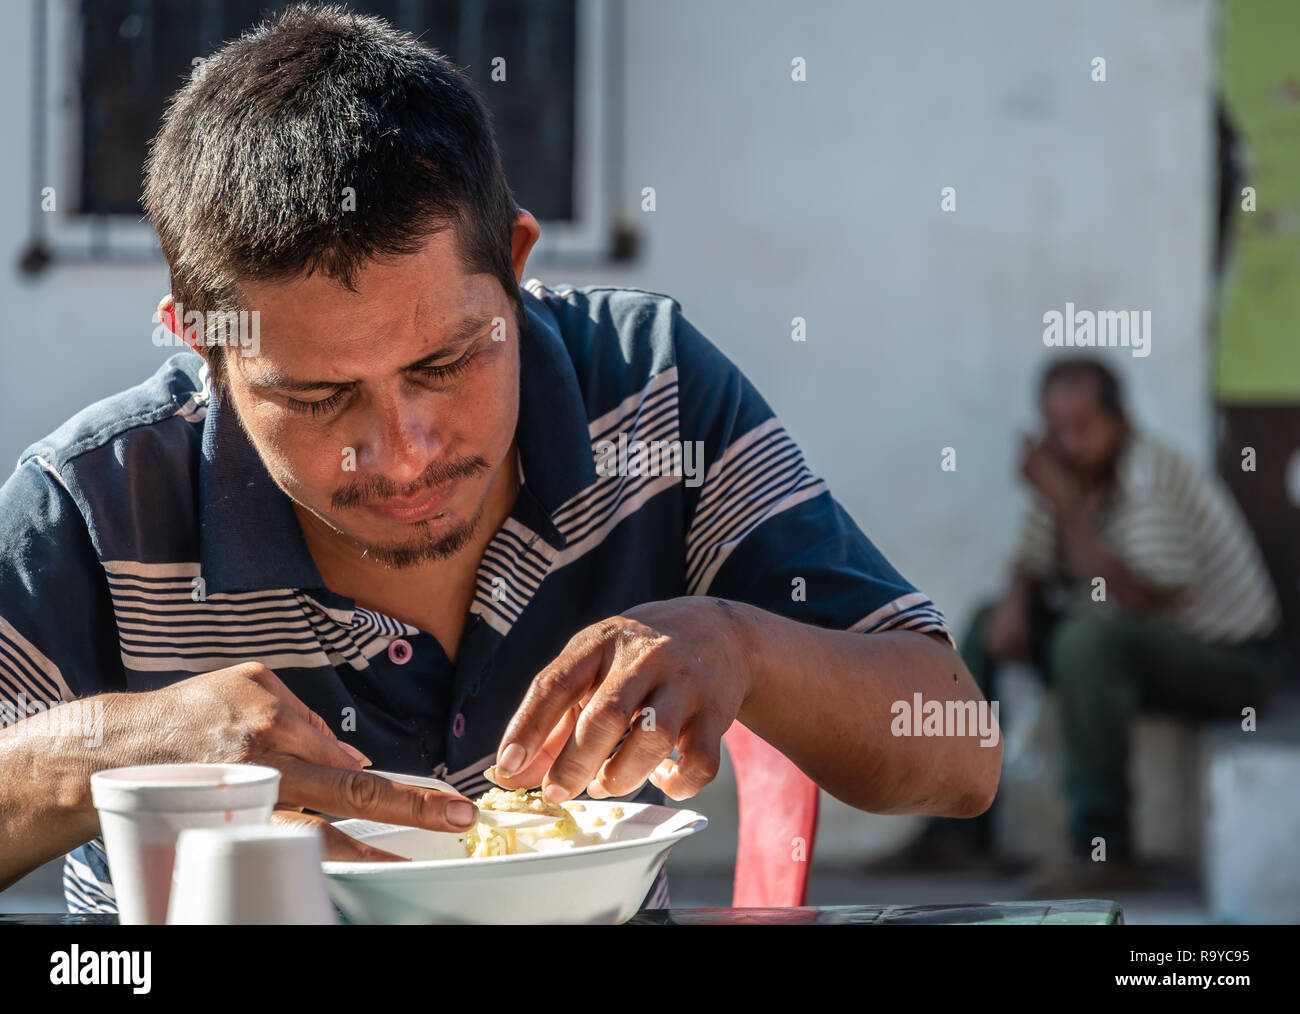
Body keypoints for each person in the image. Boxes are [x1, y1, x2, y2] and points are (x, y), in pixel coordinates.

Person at [0, 3, 998, 915]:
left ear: (517, 265)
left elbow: (960, 752)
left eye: (445, 360)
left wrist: (746, 645)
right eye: (315, 395)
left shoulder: (649, 394)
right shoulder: (95, 502)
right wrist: (106, 754)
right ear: (199, 343)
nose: (403, 452)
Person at [869, 356, 1286, 893]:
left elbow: (1132, 600)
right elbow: (1033, 561)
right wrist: (1017, 601)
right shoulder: (1070, 473)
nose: (1066, 445)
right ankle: (956, 833)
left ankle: (1106, 848)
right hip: (1144, 648)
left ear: (1123, 422)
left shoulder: (1149, 471)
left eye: (1082, 429)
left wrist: (1063, 501)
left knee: (1088, 638)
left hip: (1232, 662)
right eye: (1055, 430)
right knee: (984, 624)